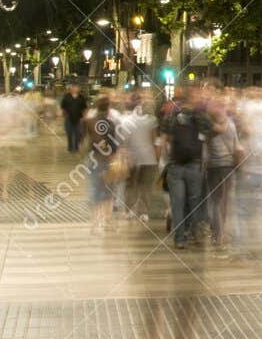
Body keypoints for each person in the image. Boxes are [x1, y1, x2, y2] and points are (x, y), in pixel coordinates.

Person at [160, 88, 211, 248]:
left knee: (177, 202)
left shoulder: (172, 116)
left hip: (175, 164)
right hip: (194, 163)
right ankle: (195, 235)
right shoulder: (200, 116)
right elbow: (209, 131)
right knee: (194, 200)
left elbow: (164, 139)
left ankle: (179, 239)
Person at [205, 99, 241, 249]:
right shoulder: (230, 125)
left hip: (211, 166)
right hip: (227, 167)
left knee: (214, 201)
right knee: (223, 203)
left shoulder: (207, 126)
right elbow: (237, 147)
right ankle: (221, 233)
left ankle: (216, 233)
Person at [84, 95, 121, 235]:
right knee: (108, 192)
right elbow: (113, 145)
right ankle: (107, 222)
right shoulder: (111, 124)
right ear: (108, 108)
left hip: (93, 159)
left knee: (94, 190)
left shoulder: (89, 122)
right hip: (107, 160)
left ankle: (94, 225)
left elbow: (84, 141)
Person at [121, 93, 160, 222]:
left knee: (131, 185)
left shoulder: (126, 121)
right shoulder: (152, 121)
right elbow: (155, 140)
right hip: (149, 158)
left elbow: (124, 142)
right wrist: (158, 157)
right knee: (146, 186)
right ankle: (144, 212)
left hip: (131, 158)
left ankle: (129, 210)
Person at [60, 83, 87, 153]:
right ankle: (70, 147)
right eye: (74, 88)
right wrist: (64, 115)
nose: (75, 89)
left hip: (79, 118)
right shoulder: (66, 97)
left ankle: (76, 147)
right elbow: (63, 107)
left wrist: (84, 117)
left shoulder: (81, 97)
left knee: (77, 133)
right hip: (69, 118)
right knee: (69, 133)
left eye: (77, 88)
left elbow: (84, 108)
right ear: (71, 89)